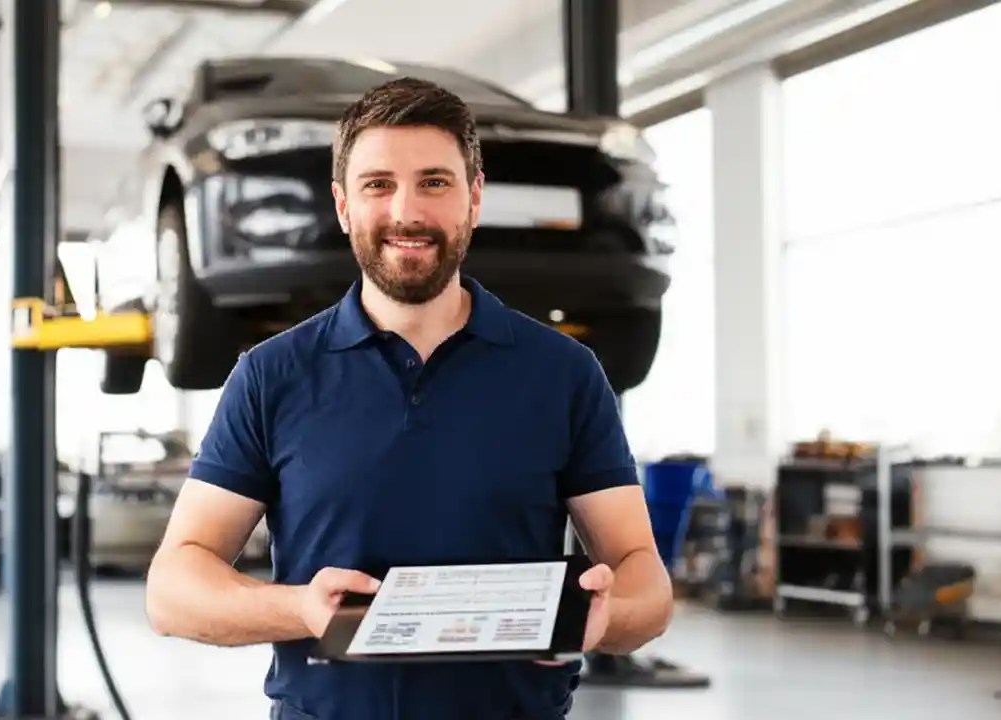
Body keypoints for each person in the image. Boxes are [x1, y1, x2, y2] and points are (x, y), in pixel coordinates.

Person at [145, 77, 674, 720]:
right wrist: (299, 608)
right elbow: (172, 590)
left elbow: (643, 578)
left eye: (434, 182)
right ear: (343, 206)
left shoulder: (563, 375)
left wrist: (604, 618)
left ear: (474, 198)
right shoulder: (271, 376)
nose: (407, 212)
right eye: (378, 185)